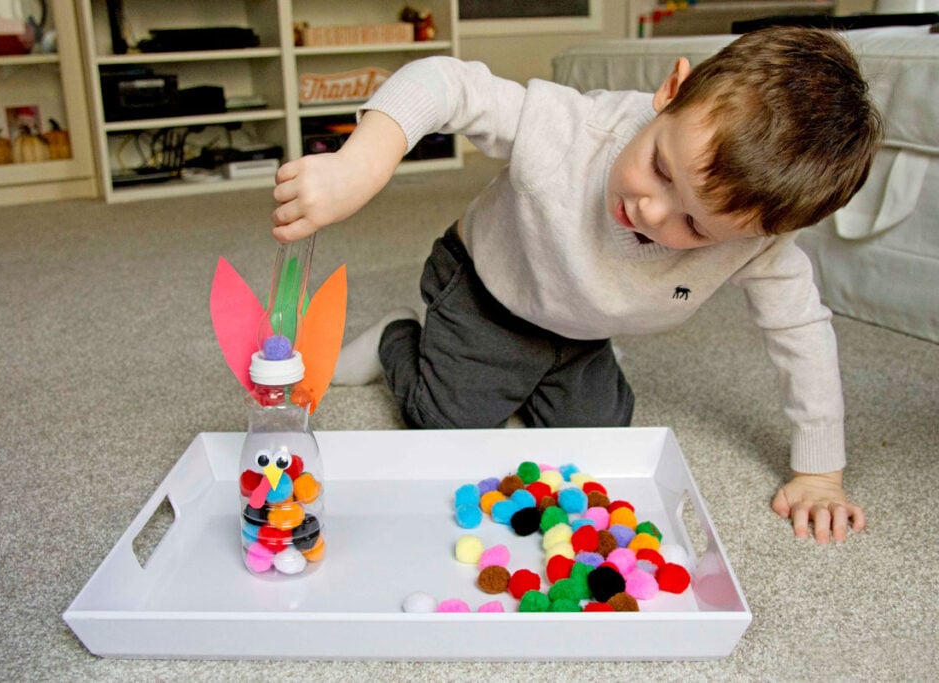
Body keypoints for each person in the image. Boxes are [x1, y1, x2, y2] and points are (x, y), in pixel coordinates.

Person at [271, 27, 882, 544]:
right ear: (670, 93)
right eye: (660, 169)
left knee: (602, 440)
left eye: (694, 225)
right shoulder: (570, 129)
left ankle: (565, 359)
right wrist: (360, 162)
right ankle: (397, 337)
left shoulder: (760, 242)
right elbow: (445, 82)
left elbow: (801, 333)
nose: (650, 210)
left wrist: (821, 472)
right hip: (486, 290)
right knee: (448, 426)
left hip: (583, 324)